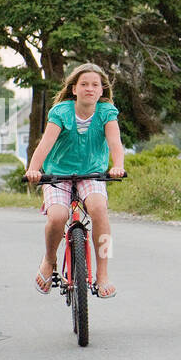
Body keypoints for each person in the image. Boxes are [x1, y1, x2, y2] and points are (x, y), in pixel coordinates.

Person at [25, 63, 125, 298]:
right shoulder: (61, 112)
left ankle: (103, 273)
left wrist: (118, 165)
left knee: (99, 209)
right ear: (73, 89)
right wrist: (33, 169)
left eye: (95, 85)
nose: (89, 89)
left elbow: (114, 142)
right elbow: (45, 144)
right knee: (58, 216)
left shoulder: (107, 112)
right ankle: (49, 259)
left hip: (92, 173)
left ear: (102, 91)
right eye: (84, 84)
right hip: (58, 174)